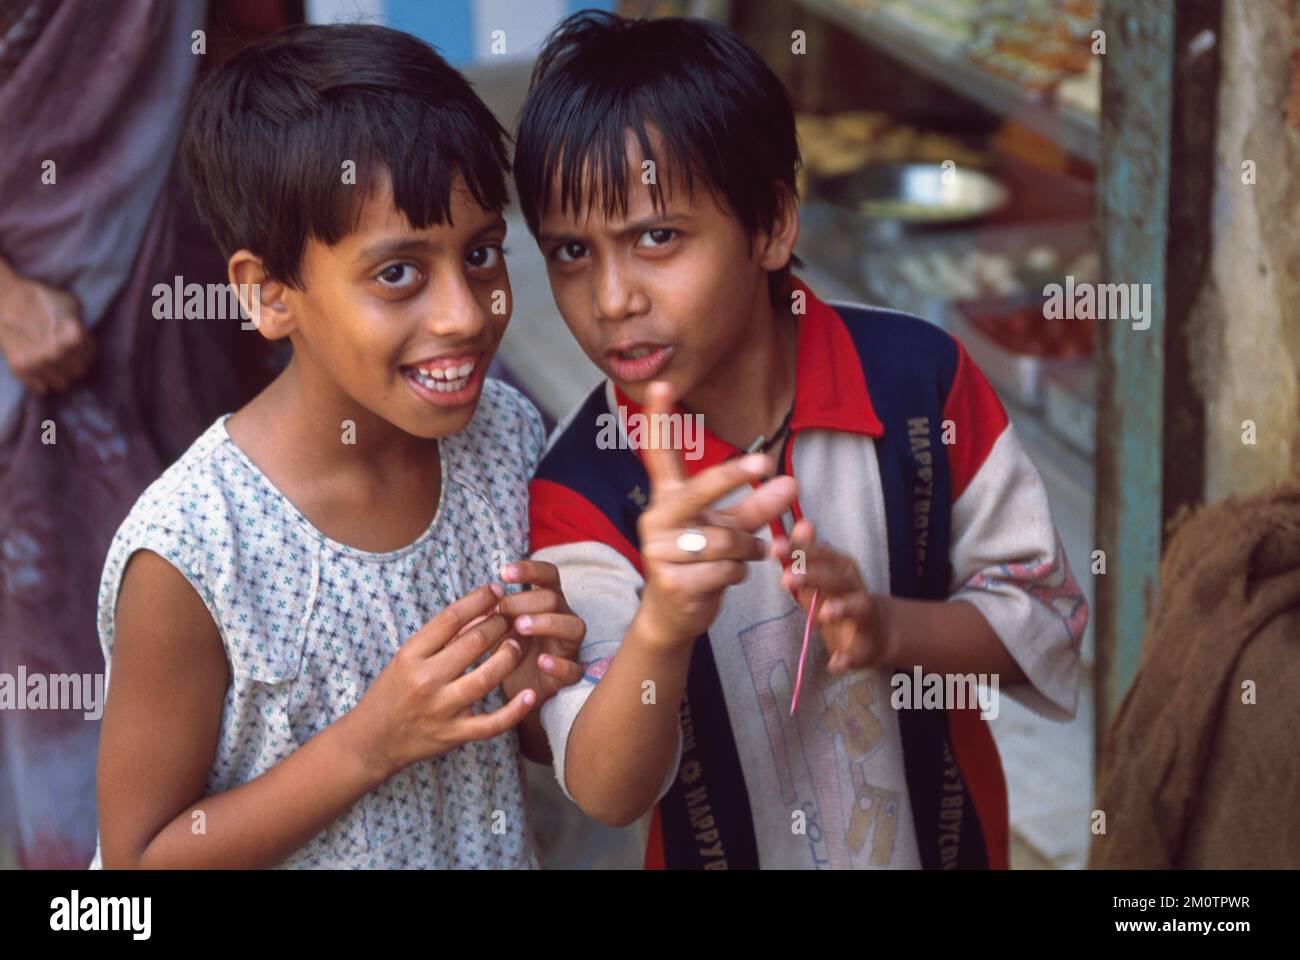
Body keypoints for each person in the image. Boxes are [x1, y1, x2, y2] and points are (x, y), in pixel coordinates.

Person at [515, 11, 1089, 869]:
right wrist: (663, 627)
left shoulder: (919, 383)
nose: (610, 298)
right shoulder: (584, 484)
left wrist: (889, 629)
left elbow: (1046, 616)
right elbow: (606, 789)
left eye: (657, 237)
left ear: (772, 225)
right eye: (570, 251)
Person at [90, 23, 584, 869]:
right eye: (398, 273)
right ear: (270, 295)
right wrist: (372, 742)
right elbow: (138, 869)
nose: (464, 313)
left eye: (481, 254)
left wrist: (543, 679)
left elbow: (524, 742)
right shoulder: (195, 551)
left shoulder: (506, 438)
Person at [0, 0, 282, 870]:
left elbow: (268, 48)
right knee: (82, 642)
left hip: (221, 262)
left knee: (254, 600)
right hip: (49, 306)